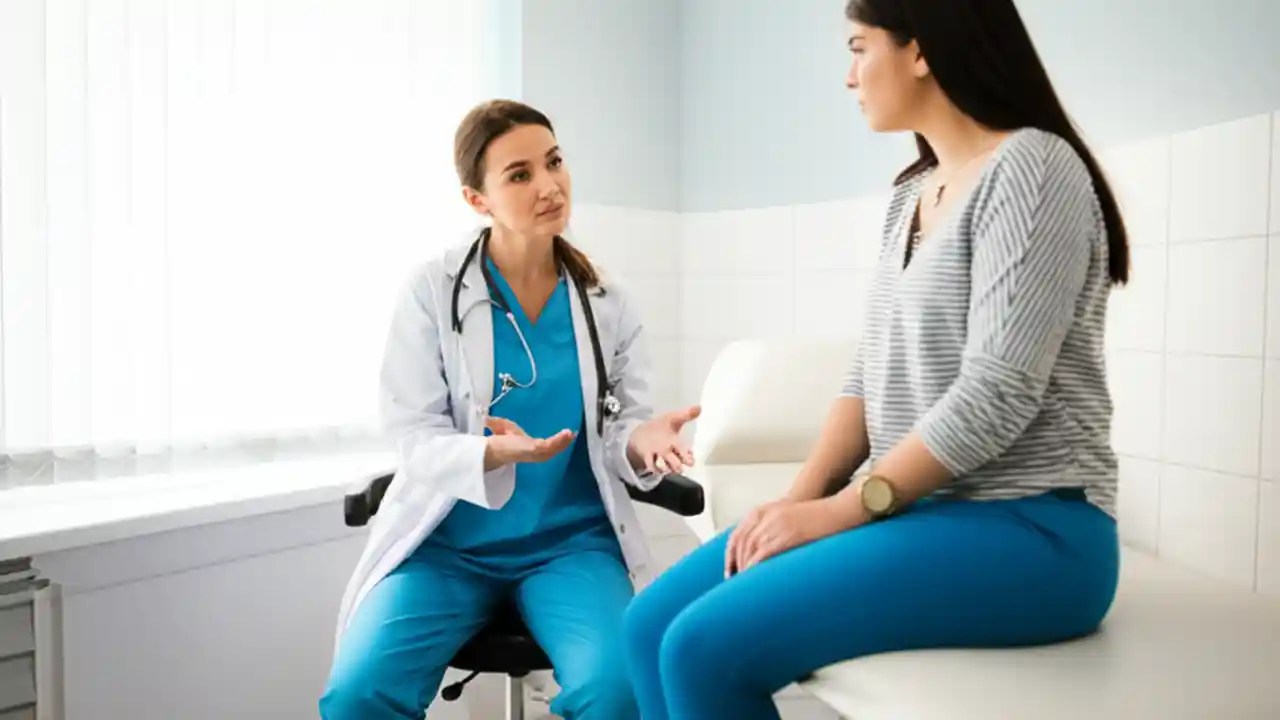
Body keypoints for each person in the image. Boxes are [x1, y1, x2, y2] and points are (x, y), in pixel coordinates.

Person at [622, 0, 1130, 717]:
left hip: (1036, 529)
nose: (849, 75)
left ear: (920, 50)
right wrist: (797, 500)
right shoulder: (911, 197)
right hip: (928, 515)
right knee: (647, 629)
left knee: (701, 649)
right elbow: (867, 375)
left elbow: (997, 393)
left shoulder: (1034, 168)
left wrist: (843, 510)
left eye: (860, 48)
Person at [320, 99, 699, 720]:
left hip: (570, 545)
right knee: (359, 694)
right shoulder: (433, 291)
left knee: (620, 690)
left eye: (554, 161)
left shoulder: (607, 301)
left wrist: (644, 441)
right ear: (478, 200)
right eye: (520, 174)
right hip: (448, 547)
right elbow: (413, 433)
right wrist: (489, 452)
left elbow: (622, 427)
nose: (549, 185)